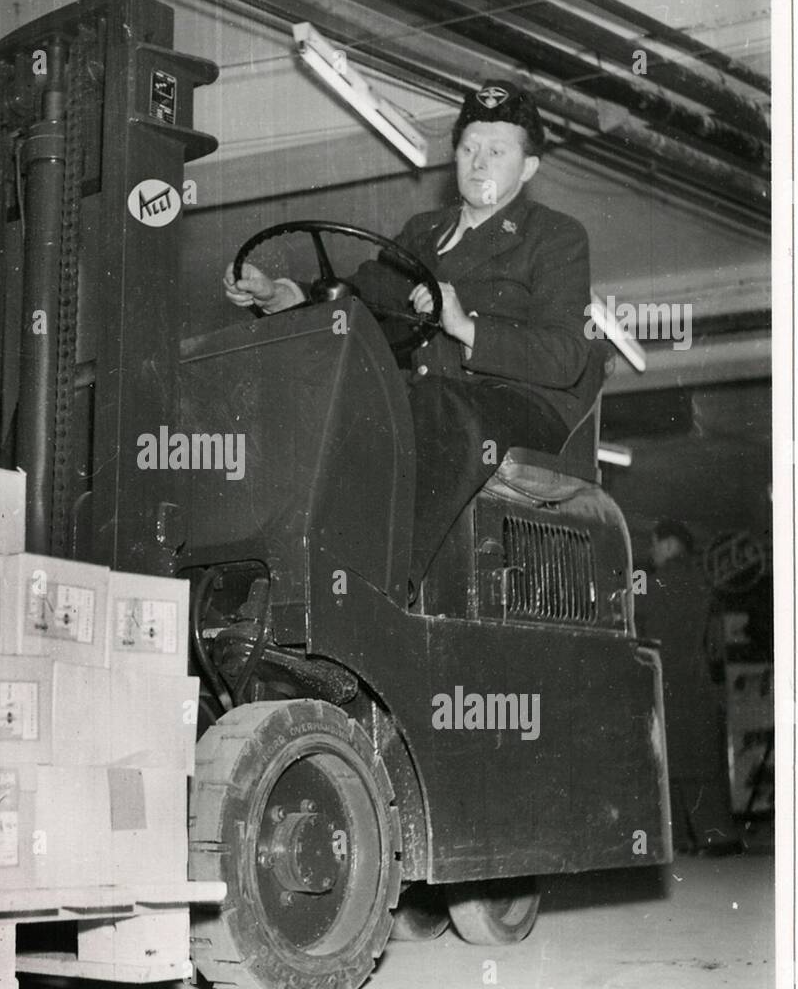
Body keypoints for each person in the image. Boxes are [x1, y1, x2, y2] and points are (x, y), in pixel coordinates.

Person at [224, 78, 595, 595]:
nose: (479, 162)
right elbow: (363, 296)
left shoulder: (554, 236)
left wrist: (464, 324)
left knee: (431, 409)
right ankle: (278, 578)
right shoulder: (424, 232)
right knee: (319, 406)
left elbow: (567, 356)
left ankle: (382, 586)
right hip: (436, 405)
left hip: (519, 407)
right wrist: (287, 296)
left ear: (528, 167)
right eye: (468, 148)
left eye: (496, 150)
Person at [636, 520, 740, 853]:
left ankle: (678, 841)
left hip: (663, 689)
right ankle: (716, 837)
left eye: (654, 544)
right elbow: (717, 647)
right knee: (703, 767)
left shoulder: (648, 587)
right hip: (701, 690)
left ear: (668, 545)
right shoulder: (705, 587)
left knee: (668, 768)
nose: (652, 552)